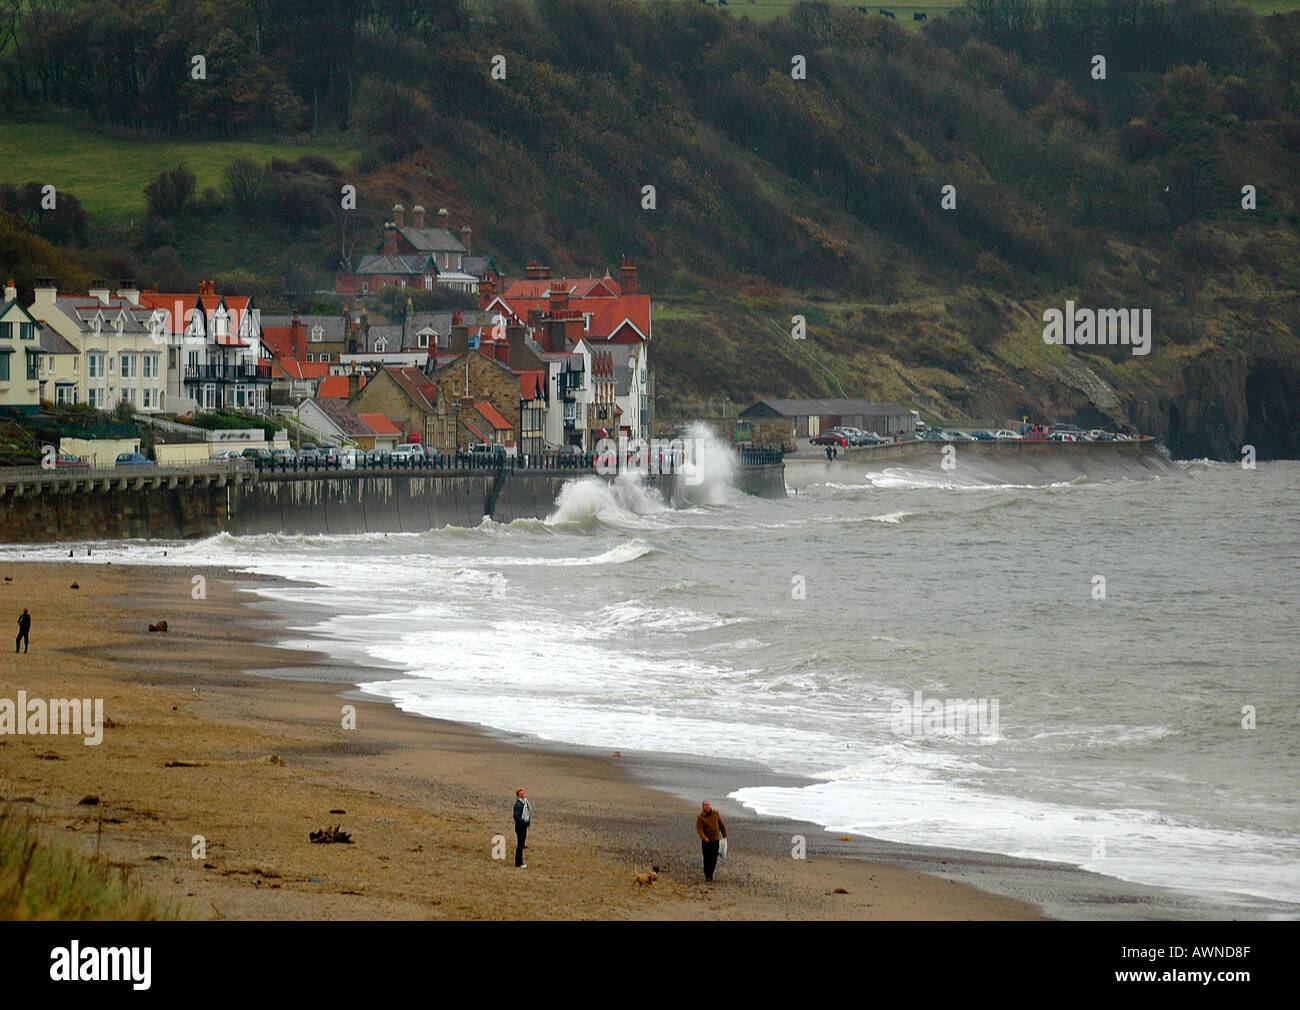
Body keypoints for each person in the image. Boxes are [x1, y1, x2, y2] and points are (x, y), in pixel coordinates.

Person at [696, 800, 728, 883]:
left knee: (714, 859)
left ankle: (711, 875)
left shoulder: (716, 813)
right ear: (702, 807)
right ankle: (707, 876)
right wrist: (704, 837)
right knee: (707, 859)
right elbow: (699, 829)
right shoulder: (700, 817)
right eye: (705, 805)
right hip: (706, 842)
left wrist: (724, 834)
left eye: (708, 805)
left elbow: (721, 824)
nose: (707, 807)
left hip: (715, 841)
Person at [512, 787, 531, 868]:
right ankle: (518, 863)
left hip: (524, 826)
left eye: (523, 793)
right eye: (521, 794)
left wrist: (527, 821)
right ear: (518, 795)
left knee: (522, 844)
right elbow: (515, 816)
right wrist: (523, 821)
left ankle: (520, 862)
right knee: (520, 845)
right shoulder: (518, 804)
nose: (523, 795)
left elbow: (528, 813)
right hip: (520, 827)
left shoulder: (525, 802)